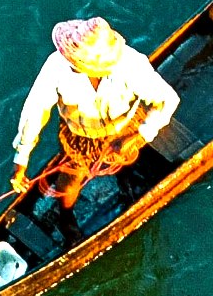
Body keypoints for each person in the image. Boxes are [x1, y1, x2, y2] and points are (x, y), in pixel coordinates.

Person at [10, 17, 184, 210]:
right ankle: (67, 219)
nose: (70, 62)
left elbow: (167, 99)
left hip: (124, 127)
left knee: (127, 161)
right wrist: (21, 161)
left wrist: (138, 136)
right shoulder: (56, 66)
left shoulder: (131, 64)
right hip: (79, 135)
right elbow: (35, 110)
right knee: (70, 178)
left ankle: (126, 184)